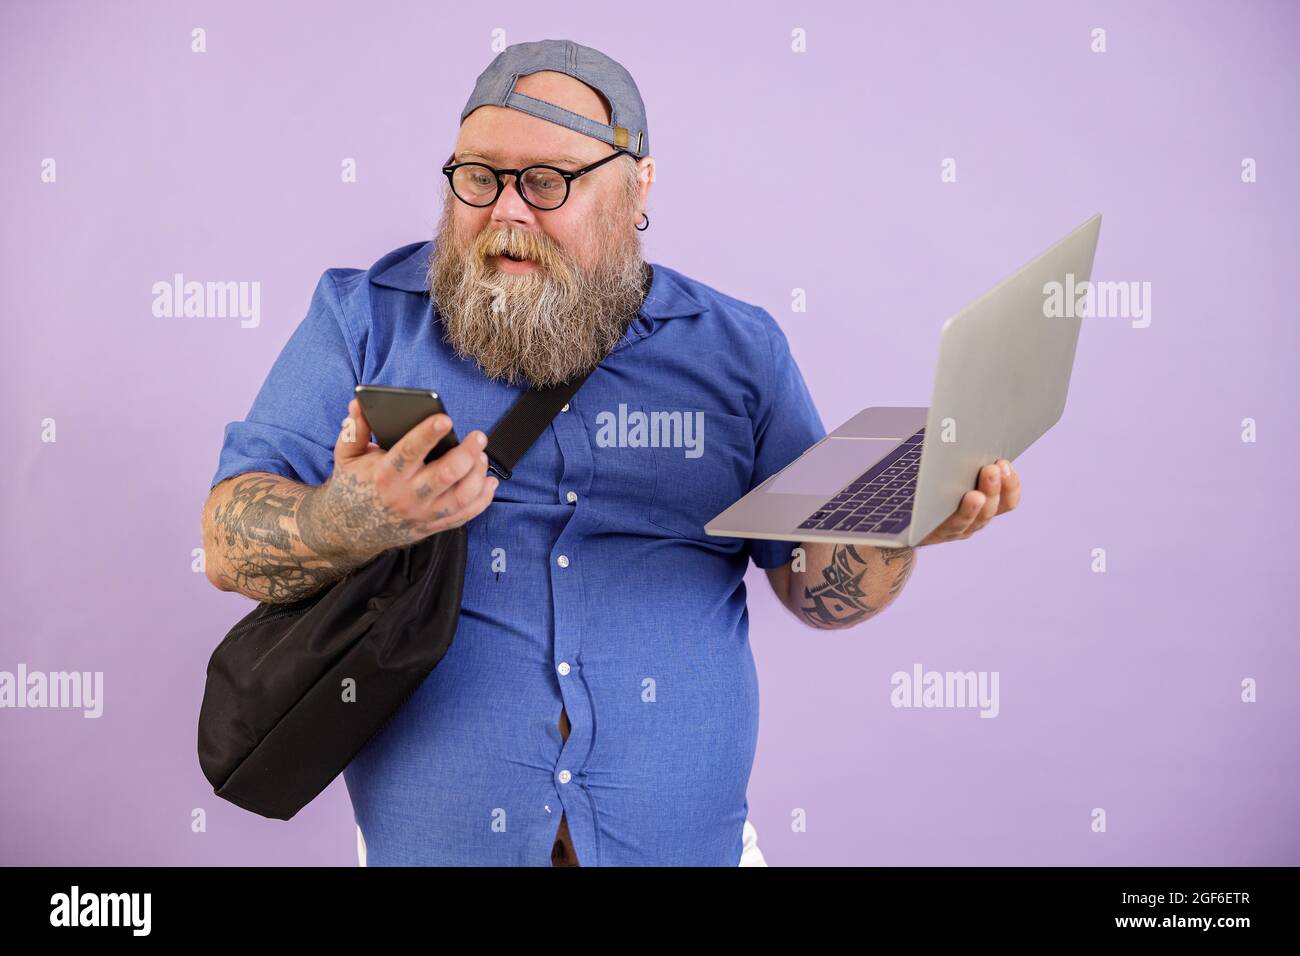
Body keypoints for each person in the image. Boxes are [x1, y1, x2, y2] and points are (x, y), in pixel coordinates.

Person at [201, 39, 1020, 867]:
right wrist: (351, 517)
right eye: (479, 177)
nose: (508, 211)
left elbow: (815, 590)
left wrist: (902, 523)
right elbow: (227, 547)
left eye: (548, 182)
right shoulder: (364, 319)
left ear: (637, 189)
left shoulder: (738, 349)